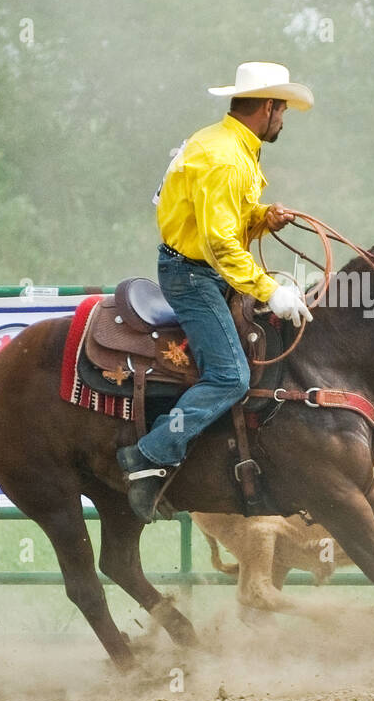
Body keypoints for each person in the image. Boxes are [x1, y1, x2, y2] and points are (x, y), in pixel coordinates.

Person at [117, 62, 314, 522]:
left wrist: (262, 217)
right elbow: (219, 243)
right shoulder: (226, 159)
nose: (283, 119)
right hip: (195, 275)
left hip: (205, 267)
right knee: (230, 377)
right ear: (266, 107)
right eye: (282, 110)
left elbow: (220, 218)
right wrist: (270, 289)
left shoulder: (221, 143)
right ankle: (149, 456)